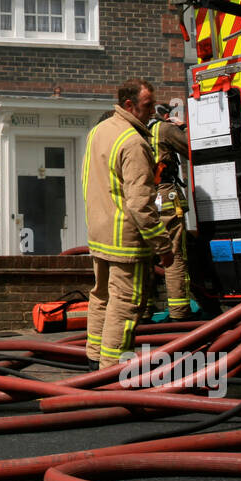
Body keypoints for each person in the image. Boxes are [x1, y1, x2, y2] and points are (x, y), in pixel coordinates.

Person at [82, 79, 174, 371]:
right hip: (125, 240)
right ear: (129, 105)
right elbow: (140, 204)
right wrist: (163, 245)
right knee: (125, 304)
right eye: (147, 106)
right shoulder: (134, 142)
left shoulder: (99, 131)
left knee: (101, 297)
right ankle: (111, 369)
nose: (152, 112)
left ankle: (94, 357)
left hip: (99, 235)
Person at [149, 106, 192, 321]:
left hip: (143, 200)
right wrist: (183, 127)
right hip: (166, 196)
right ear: (166, 116)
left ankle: (144, 312)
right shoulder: (164, 129)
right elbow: (193, 149)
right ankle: (179, 313)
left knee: (146, 257)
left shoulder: (134, 131)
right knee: (174, 254)